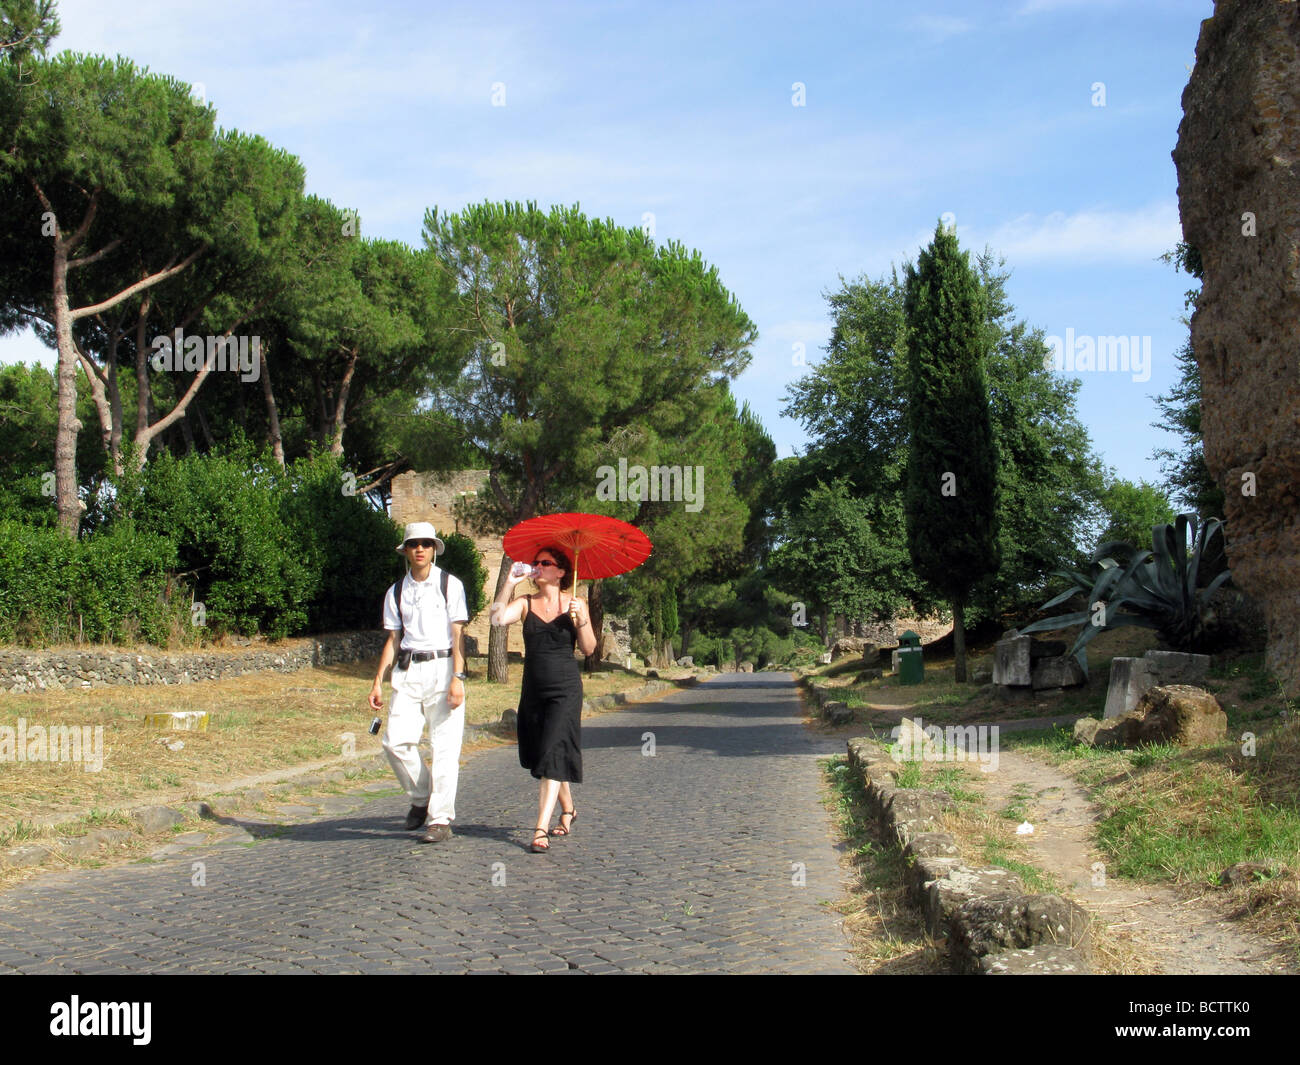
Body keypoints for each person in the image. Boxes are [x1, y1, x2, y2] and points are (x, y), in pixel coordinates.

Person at [491, 545, 597, 852]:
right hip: (534, 690)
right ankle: (568, 810)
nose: (537, 567)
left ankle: (540, 829)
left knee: (553, 749)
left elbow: (589, 649)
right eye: (535, 563)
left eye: (545, 563)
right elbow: (497, 619)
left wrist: (581, 620)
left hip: (565, 690)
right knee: (544, 753)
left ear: (561, 572)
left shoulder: (576, 603)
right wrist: (509, 583)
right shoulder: (525, 603)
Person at [369, 522, 469, 844]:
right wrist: (378, 681)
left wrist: (458, 677)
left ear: (434, 549)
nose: (420, 549)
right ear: (407, 551)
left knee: (444, 748)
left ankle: (440, 819)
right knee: (394, 742)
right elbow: (393, 638)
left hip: (443, 668)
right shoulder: (396, 591)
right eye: (414, 544)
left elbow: (458, 636)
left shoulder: (450, 585)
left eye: (426, 543)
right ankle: (421, 796)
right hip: (409, 670)